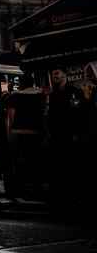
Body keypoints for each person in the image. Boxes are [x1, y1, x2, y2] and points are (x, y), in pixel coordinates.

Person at [46, 67, 85, 207]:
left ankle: (75, 196)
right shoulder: (53, 94)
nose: (54, 76)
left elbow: (79, 114)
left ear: (64, 75)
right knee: (60, 167)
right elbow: (50, 116)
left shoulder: (74, 92)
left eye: (57, 73)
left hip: (70, 136)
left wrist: (77, 133)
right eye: (53, 74)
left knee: (72, 166)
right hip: (57, 136)